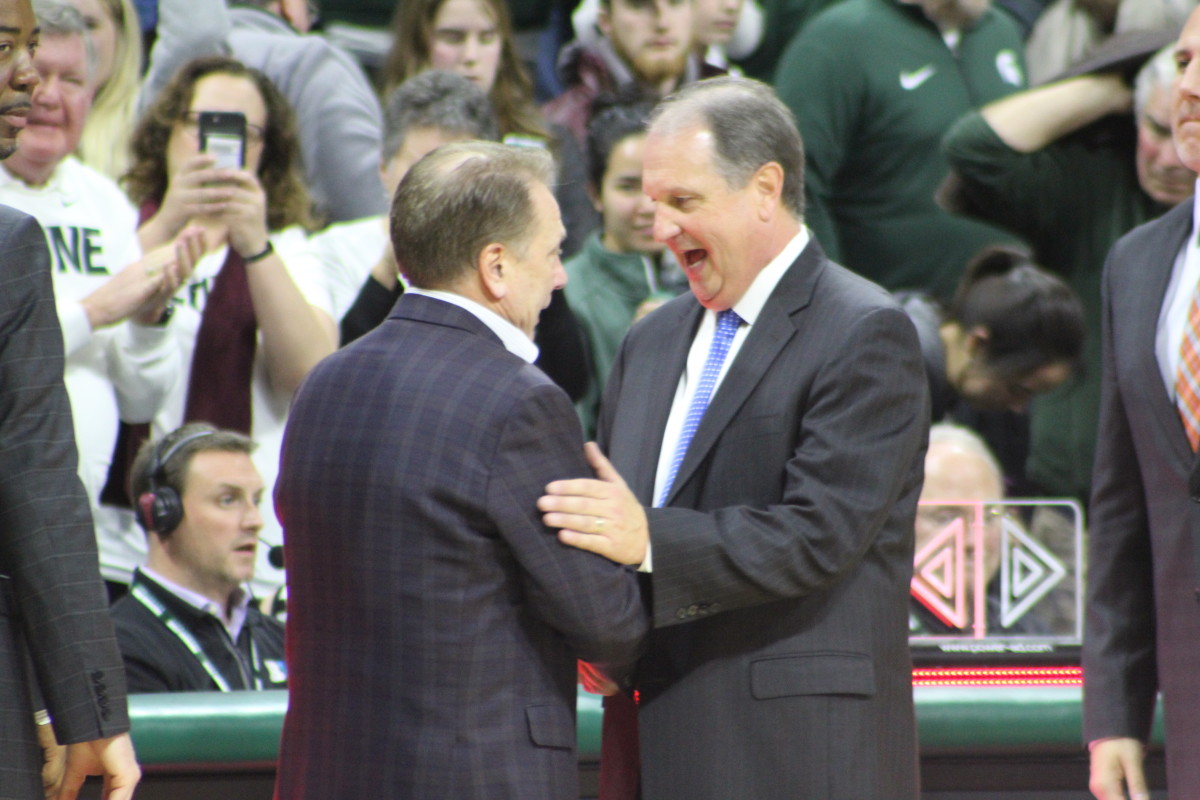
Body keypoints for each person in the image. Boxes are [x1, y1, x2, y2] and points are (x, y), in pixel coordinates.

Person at [540, 76, 929, 798]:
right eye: (654, 205)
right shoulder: (649, 342)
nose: (659, 230)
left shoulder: (864, 330)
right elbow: (619, 518)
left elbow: (819, 535)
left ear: (764, 189)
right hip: (647, 745)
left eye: (683, 203)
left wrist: (647, 541)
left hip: (795, 755)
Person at [274, 141, 648, 800]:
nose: (560, 277)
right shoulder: (521, 402)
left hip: (325, 773)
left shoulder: (324, 381)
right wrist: (636, 538)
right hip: (475, 775)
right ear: (496, 267)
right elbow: (604, 622)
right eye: (554, 252)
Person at [0, 0, 202, 595]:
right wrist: (103, 308)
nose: (48, 96)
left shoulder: (105, 202)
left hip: (86, 539)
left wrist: (150, 318)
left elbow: (140, 398)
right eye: (38, 72)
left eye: (74, 81)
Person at [123, 55, 336, 599]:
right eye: (205, 125)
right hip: (126, 534)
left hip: (248, 542)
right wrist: (167, 223)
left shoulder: (289, 249)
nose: (219, 146)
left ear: (265, 152)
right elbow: (94, 316)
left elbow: (313, 377)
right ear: (170, 129)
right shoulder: (119, 222)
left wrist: (253, 244)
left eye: (245, 132)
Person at [944, 40, 1192, 505]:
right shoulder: (1093, 189)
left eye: (1191, 132)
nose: (1169, 158)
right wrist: (1116, 86)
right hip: (1074, 501)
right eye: (1158, 128)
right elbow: (974, 147)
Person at [0, 0, 140, 791]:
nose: (27, 74)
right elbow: (36, 484)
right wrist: (91, 716)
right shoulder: (9, 245)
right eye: (4, 48)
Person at [1083, 8, 1200, 798]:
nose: (1183, 89)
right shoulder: (1137, 261)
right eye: (1184, 62)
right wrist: (1114, 715)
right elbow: (1122, 506)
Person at [774, 0, 1028, 297]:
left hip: (1007, 313)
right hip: (892, 312)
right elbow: (793, 182)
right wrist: (830, 300)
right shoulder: (841, 37)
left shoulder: (1001, 31)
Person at [380, 0, 599, 258]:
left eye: (486, 37)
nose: (471, 56)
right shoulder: (386, 135)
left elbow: (579, 252)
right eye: (453, 38)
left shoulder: (551, 143)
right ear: (416, 44)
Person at [295, 69, 499, 344]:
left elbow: (565, 376)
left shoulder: (505, 257)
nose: (442, 192)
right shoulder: (330, 252)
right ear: (384, 168)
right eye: (424, 170)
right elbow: (338, 372)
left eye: (461, 172)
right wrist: (388, 268)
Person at [139, 0, 386, 223]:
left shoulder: (166, 69)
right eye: (198, 124)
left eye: (249, 134)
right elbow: (371, 216)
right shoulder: (317, 65)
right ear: (288, 7)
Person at [110, 424, 287, 693]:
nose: (255, 521)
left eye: (256, 500)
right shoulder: (118, 647)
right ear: (161, 513)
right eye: (228, 500)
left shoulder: (280, 640)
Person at [898, 244, 1084, 488]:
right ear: (977, 344)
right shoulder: (898, 373)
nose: (1018, 407)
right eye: (1017, 389)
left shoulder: (953, 381)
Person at [565, 94, 683, 437]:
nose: (648, 206)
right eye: (628, 187)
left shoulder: (712, 281)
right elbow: (574, 434)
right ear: (595, 194)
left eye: (659, 186)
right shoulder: (568, 294)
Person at [544, 0, 719, 149]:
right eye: (639, 5)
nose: (663, 23)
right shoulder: (563, 125)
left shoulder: (725, 103)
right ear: (605, 21)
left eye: (675, 2)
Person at [68, 0, 141, 182]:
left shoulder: (148, 115)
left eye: (88, 25)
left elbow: (203, 32)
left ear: (121, 33)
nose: (75, 42)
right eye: (57, 26)